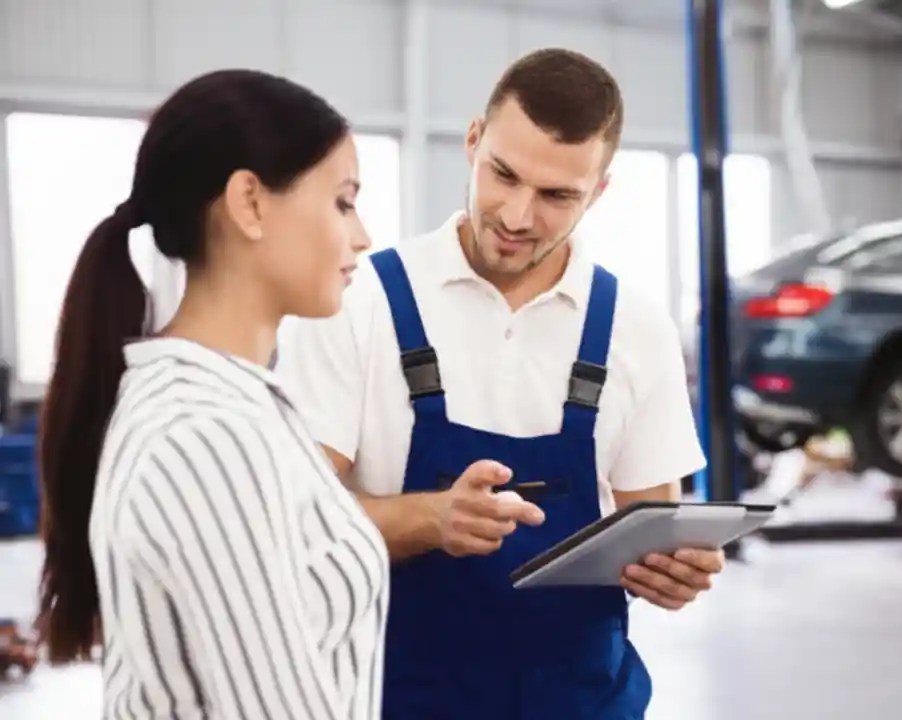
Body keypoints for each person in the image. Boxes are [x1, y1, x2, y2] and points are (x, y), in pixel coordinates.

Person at [278, 48, 724, 719]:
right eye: (504, 175)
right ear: (473, 141)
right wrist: (431, 520)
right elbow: (293, 526)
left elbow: (651, 528)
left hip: (583, 704)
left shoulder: (636, 328)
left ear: (598, 191)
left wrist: (673, 572)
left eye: (556, 196)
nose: (517, 217)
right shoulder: (357, 301)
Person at [33, 68, 418, 719]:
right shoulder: (207, 434)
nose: (362, 235)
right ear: (250, 203)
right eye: (342, 202)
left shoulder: (244, 405)